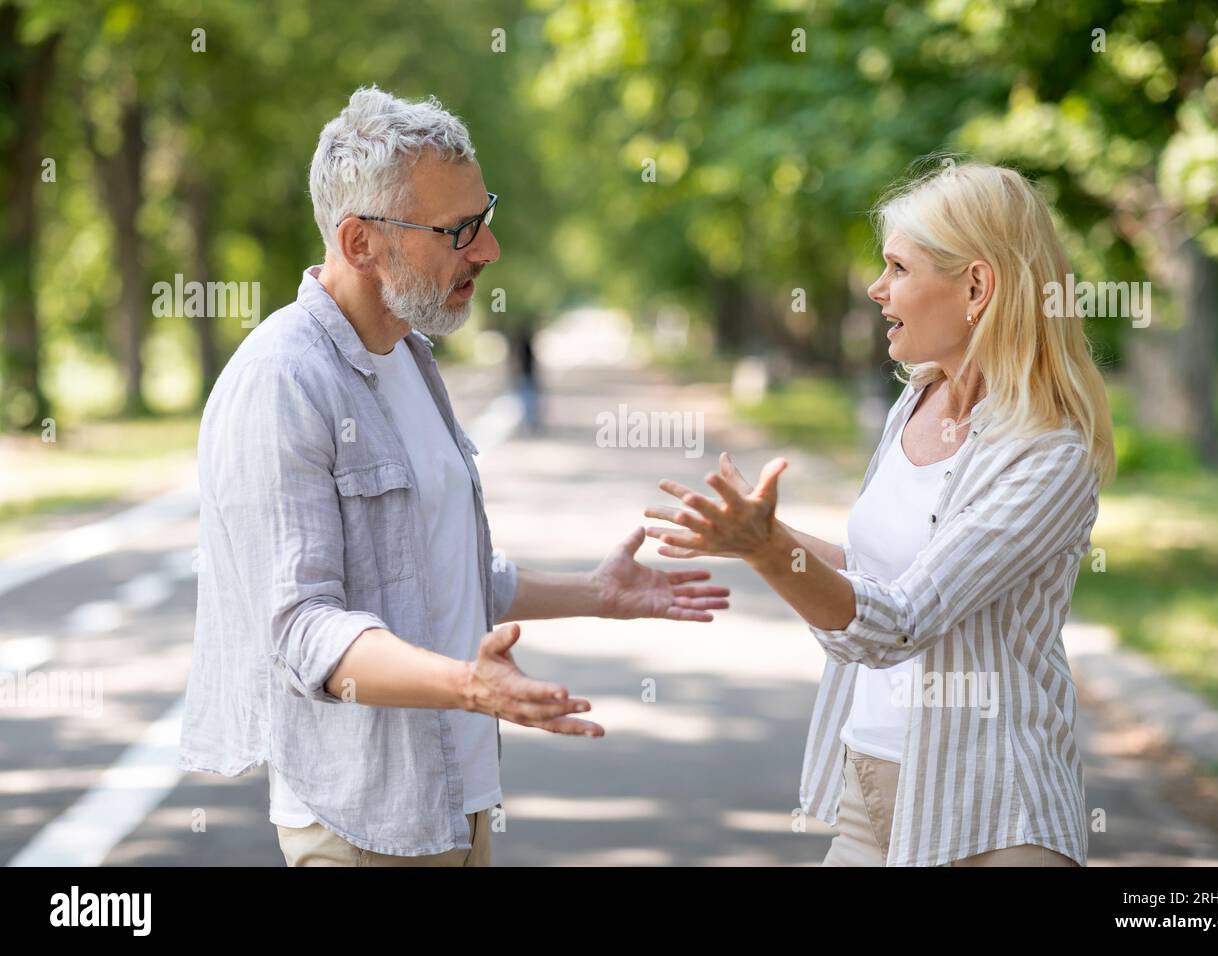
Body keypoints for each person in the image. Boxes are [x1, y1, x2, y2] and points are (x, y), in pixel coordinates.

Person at [178, 87, 730, 867]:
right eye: (458, 230)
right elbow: (301, 628)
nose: (488, 249)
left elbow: (436, 577)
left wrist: (596, 597)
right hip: (364, 826)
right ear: (360, 241)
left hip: (457, 803)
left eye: (485, 216)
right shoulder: (282, 382)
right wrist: (468, 688)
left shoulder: (409, 355)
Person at [646, 162, 1115, 867]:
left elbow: (899, 621)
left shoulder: (1046, 456)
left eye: (898, 266)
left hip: (990, 816)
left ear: (976, 288)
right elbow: (876, 574)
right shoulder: (915, 402)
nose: (875, 287)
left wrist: (770, 552)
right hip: (870, 785)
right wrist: (757, 539)